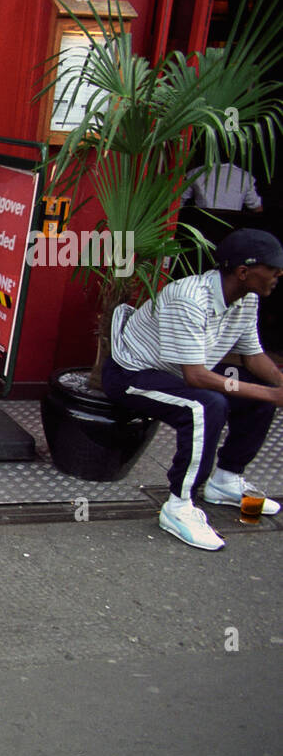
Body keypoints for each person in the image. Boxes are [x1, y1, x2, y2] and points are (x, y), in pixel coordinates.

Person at [103, 228, 283, 551]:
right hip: (134, 375)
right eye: (273, 268)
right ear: (244, 272)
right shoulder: (189, 299)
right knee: (206, 405)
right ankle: (178, 506)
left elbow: (254, 357)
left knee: (257, 390)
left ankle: (226, 480)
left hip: (181, 373)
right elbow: (196, 378)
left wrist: (278, 385)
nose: (279, 274)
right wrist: (271, 394)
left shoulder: (247, 299)